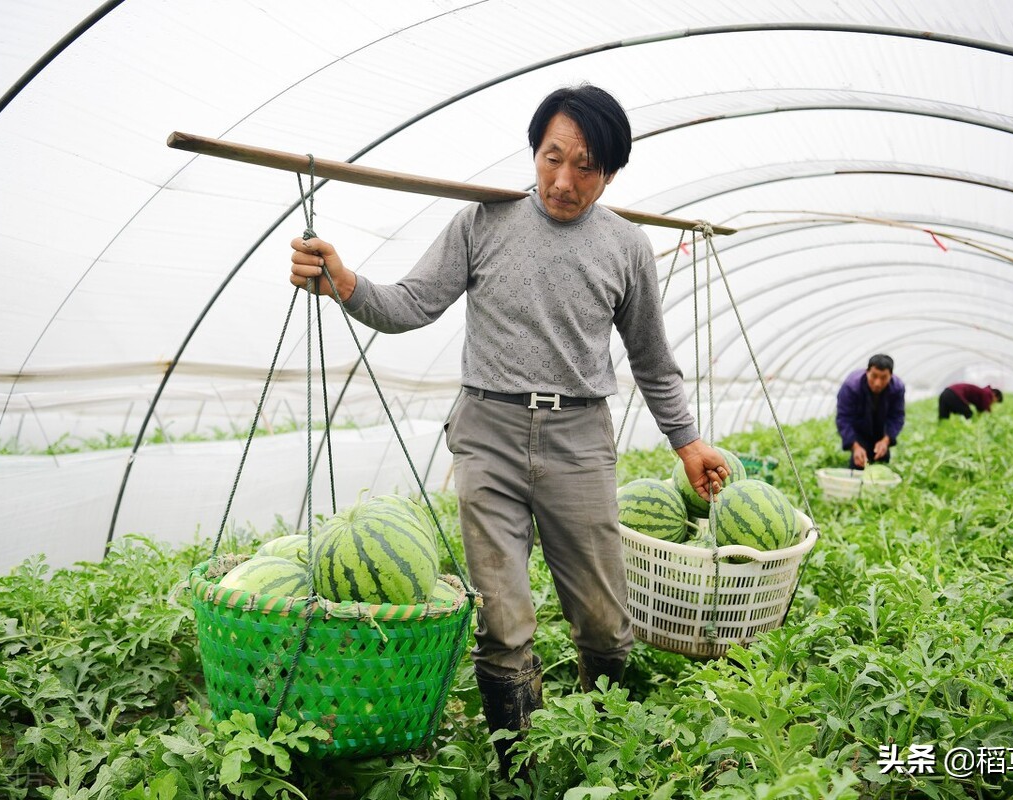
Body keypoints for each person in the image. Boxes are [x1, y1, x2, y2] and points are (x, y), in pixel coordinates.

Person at [288, 84, 728, 781]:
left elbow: (651, 358)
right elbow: (410, 304)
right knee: (503, 621)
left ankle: (599, 749)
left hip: (579, 435)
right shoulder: (483, 222)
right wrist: (344, 282)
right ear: (534, 151)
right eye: (552, 158)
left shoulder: (626, 247)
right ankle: (518, 770)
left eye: (585, 166)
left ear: (610, 171)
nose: (563, 180)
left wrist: (688, 441)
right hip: (487, 429)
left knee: (607, 624)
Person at [835, 354, 906, 469]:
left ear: (891, 376)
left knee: (882, 462)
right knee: (858, 463)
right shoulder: (851, 386)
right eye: (874, 376)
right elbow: (844, 418)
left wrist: (886, 440)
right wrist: (855, 446)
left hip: (881, 430)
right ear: (867, 372)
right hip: (860, 429)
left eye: (883, 378)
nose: (878, 383)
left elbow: (896, 416)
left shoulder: (897, 388)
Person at [938, 383, 1002, 420]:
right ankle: (968, 432)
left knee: (943, 419)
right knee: (968, 414)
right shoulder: (988, 393)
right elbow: (986, 409)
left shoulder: (982, 392)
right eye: (995, 401)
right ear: (995, 395)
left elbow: (980, 408)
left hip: (945, 393)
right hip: (954, 394)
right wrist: (993, 419)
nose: (993, 403)